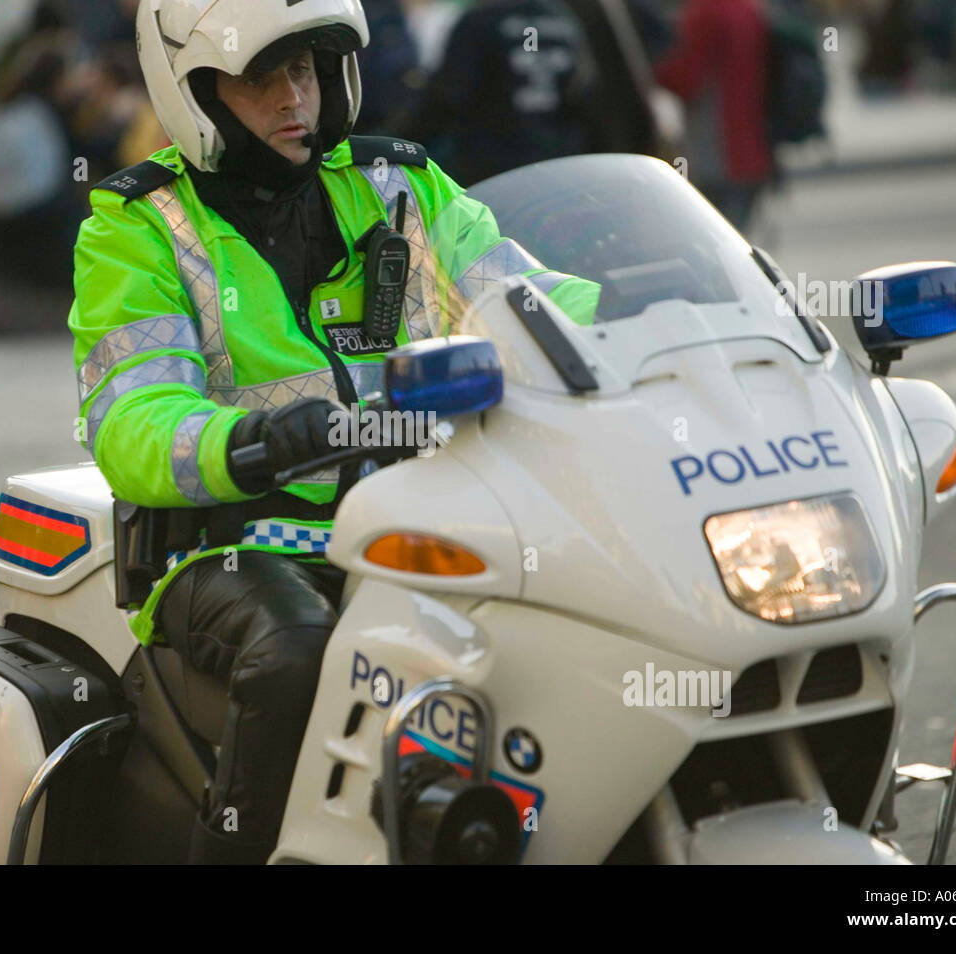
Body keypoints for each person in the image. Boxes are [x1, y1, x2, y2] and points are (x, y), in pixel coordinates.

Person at [69, 0, 599, 863]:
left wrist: (656, 319)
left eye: (307, 70)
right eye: (260, 76)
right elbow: (131, 418)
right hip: (234, 549)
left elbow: (530, 301)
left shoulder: (398, 188)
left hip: (425, 527)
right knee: (299, 656)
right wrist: (250, 443)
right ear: (196, 89)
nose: (294, 99)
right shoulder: (138, 228)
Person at [401, 0, 598, 185]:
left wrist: (398, 141)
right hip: (555, 163)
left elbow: (447, 98)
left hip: (492, 169)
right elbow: (584, 93)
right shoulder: (560, 17)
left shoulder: (481, 20)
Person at [653, 0, 773, 233]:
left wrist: (653, 73)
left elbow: (684, 79)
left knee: (712, 242)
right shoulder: (750, 8)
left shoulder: (706, 12)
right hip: (755, 149)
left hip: (716, 152)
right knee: (737, 239)